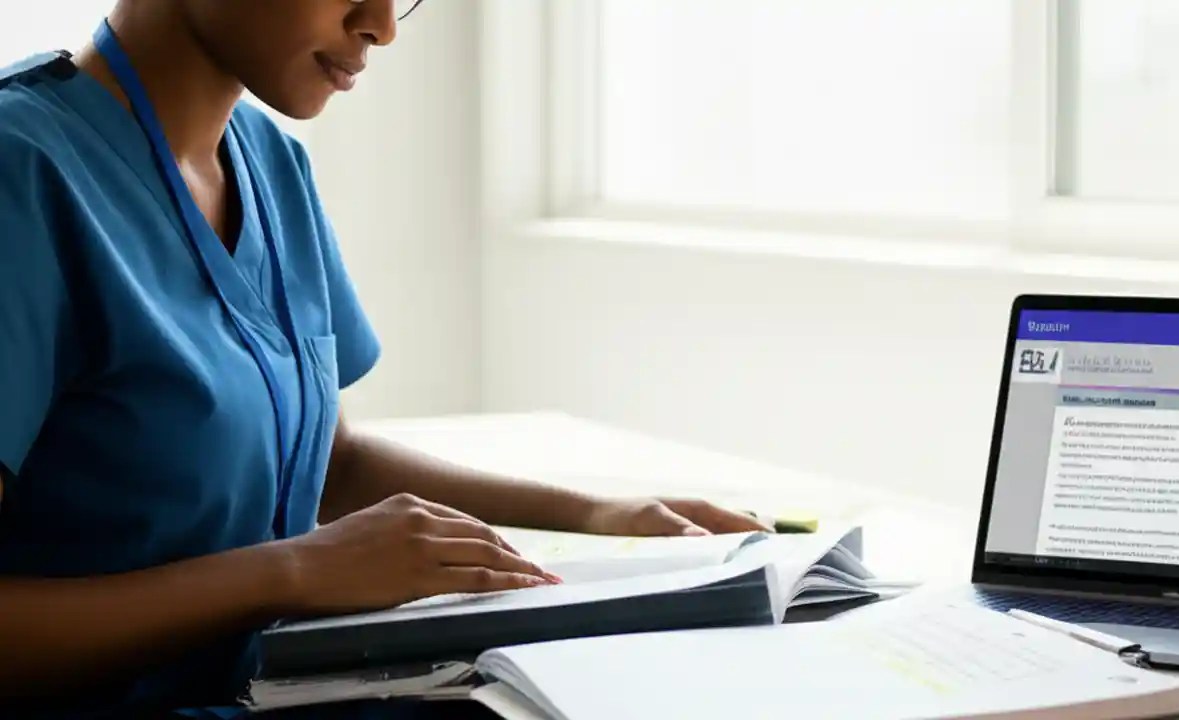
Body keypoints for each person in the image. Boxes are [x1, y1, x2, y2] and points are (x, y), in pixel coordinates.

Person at [0, 1, 769, 717]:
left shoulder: (270, 162)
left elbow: (329, 466)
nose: (381, 24)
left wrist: (599, 514)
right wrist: (292, 571)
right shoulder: (20, 172)